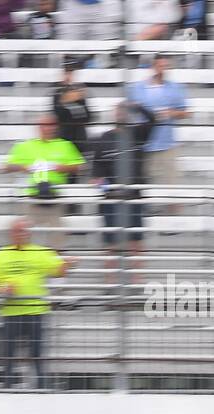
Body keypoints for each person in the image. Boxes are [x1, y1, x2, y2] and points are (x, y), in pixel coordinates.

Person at [0, 217, 73, 389]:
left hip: (35, 311)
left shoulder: (40, 252)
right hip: (10, 312)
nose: (22, 234)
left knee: (37, 354)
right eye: (18, 230)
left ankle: (41, 387)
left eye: (24, 230)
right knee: (7, 355)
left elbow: (58, 271)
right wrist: (1, 289)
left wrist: (67, 265)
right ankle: (8, 387)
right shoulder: (1, 254)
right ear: (11, 233)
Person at [91, 100, 157, 282]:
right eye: (118, 111)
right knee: (111, 245)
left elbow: (153, 119)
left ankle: (137, 284)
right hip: (111, 200)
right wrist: (105, 188)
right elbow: (96, 175)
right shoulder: (103, 138)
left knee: (136, 243)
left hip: (134, 198)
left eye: (124, 111)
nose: (120, 114)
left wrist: (137, 106)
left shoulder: (137, 133)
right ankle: (110, 285)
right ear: (113, 115)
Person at [126, 55, 190, 210]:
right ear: (153, 67)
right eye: (160, 66)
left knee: (172, 185)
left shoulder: (175, 88)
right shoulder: (137, 88)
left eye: (165, 66)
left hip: (166, 143)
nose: (163, 70)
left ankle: (173, 221)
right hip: (144, 143)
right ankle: (144, 214)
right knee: (143, 181)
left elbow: (185, 112)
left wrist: (171, 113)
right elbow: (129, 110)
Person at [2, 115, 85, 233]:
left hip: (55, 195)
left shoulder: (65, 145)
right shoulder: (26, 145)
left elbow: (80, 167)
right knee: (25, 231)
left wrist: (59, 167)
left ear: (56, 127)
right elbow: (6, 167)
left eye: (51, 125)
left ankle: (57, 251)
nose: (48, 128)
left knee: (58, 232)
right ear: (38, 127)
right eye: (44, 125)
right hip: (32, 196)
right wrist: (26, 167)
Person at [52, 60, 92, 164]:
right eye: (66, 73)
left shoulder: (79, 93)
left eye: (70, 73)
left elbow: (88, 117)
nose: (68, 76)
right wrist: (67, 99)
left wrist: (72, 100)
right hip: (64, 138)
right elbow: (58, 114)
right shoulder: (57, 93)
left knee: (76, 173)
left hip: (79, 138)